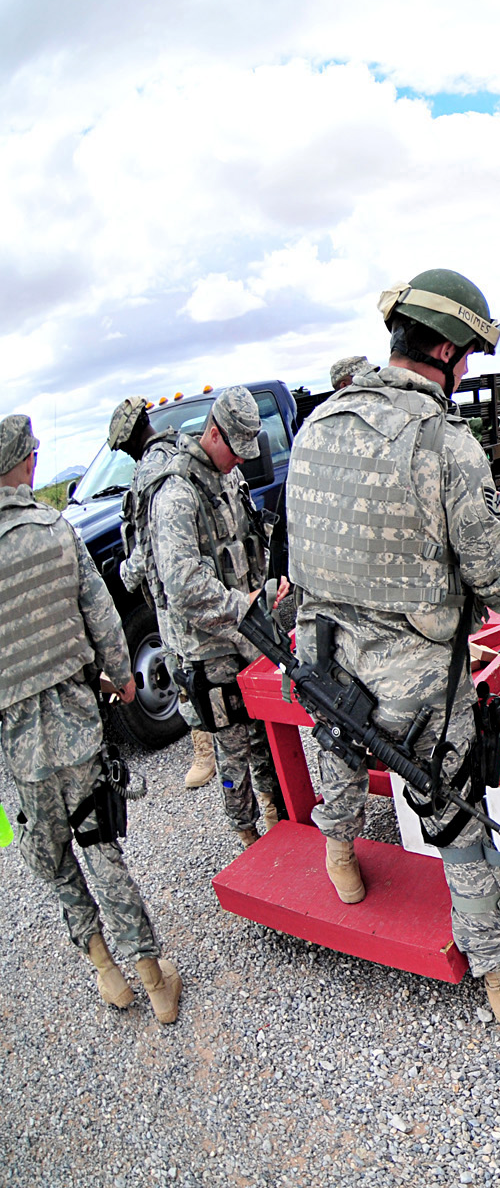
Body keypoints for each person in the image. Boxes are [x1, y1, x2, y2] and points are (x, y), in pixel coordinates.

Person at [288, 269, 500, 1024]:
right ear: (447, 351)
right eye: (468, 356)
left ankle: (340, 853)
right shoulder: (446, 445)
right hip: (418, 679)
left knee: (338, 749)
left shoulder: (318, 425)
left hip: (326, 659)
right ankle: (499, 972)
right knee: (457, 813)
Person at [0, 416, 181, 1022]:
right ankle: (153, 979)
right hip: (76, 722)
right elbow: (101, 613)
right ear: (25, 464)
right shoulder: (55, 530)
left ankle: (106, 970)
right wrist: (124, 679)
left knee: (54, 860)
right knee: (100, 846)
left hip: (18, 743)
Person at [138, 386, 282, 849]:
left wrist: (268, 589)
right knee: (232, 747)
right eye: (235, 451)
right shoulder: (176, 494)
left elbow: (248, 544)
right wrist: (244, 605)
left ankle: (280, 818)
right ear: (214, 433)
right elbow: (183, 586)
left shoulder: (229, 478)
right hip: (211, 647)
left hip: (250, 634)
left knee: (267, 736)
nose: (239, 461)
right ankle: (247, 836)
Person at [109, 396, 218, 791]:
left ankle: (206, 750)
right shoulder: (177, 448)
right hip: (194, 577)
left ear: (131, 437)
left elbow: (150, 541)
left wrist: (126, 573)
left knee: (184, 670)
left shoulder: (152, 468)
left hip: (172, 591)